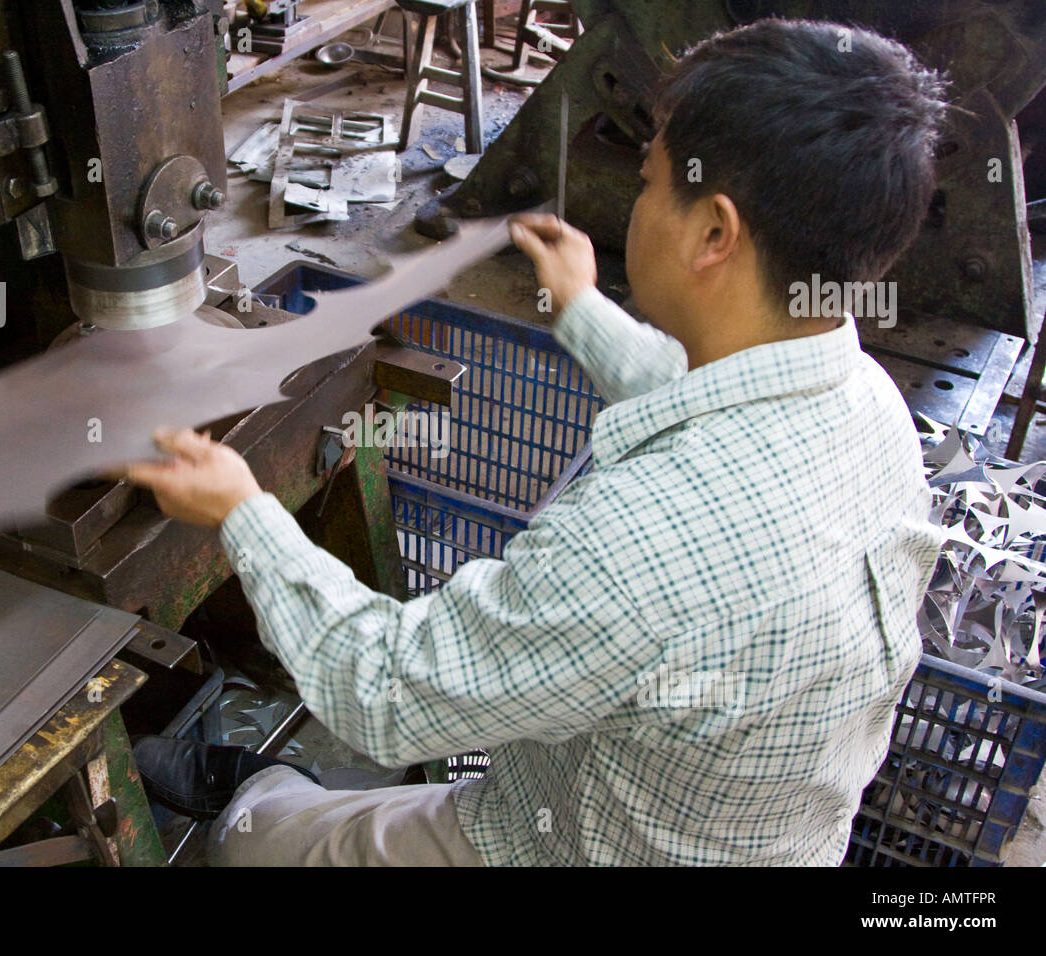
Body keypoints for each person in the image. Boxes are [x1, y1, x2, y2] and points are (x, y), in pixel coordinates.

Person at [125, 17, 949, 865]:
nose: (636, 200)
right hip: (752, 833)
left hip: (559, 845)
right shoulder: (868, 408)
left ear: (714, 234)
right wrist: (583, 309)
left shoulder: (643, 543)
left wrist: (243, 513)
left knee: (268, 846)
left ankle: (252, 801)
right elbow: (701, 398)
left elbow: (379, 692)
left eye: (650, 179)